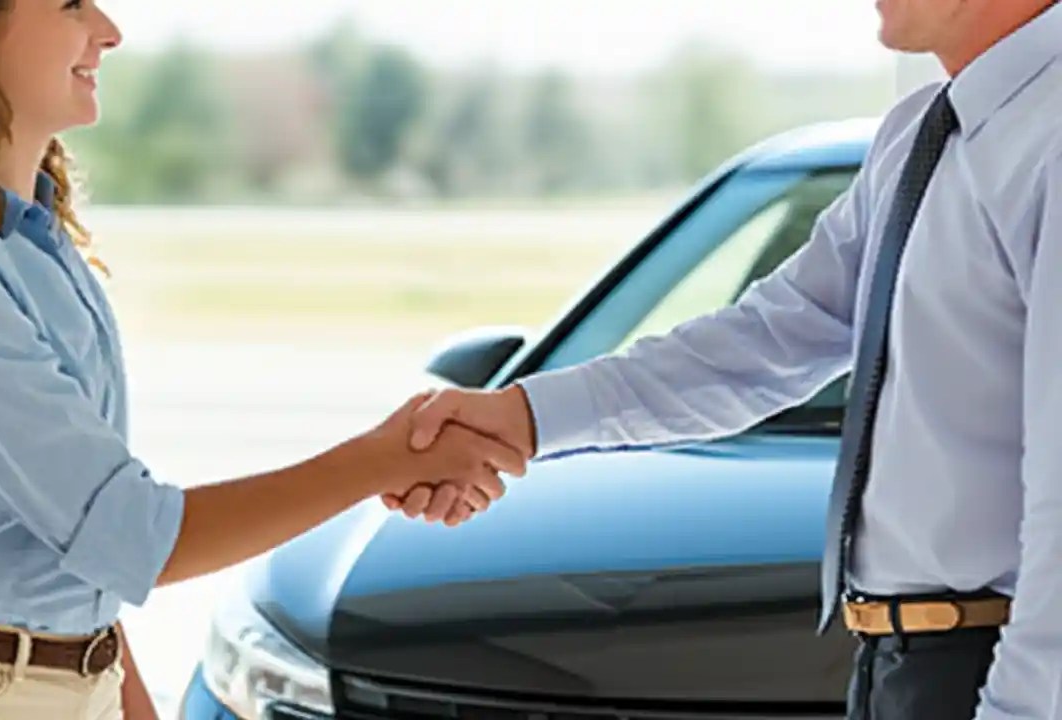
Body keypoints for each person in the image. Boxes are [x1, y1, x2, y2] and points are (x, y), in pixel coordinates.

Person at [0, 1, 525, 718]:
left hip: (57, 685)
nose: (108, 32)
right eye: (72, 5)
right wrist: (385, 460)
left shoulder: (34, 247)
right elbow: (134, 536)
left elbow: (79, 554)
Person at [391, 0, 1062, 717]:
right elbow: (769, 338)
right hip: (897, 664)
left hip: (998, 669)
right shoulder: (921, 134)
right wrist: (522, 419)